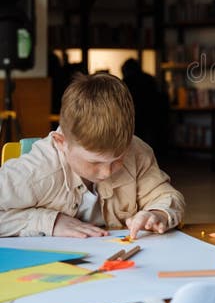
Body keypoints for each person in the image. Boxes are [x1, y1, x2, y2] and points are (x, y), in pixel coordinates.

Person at [0, 72, 184, 239]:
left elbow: (167, 197)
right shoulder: (38, 170)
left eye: (118, 159)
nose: (106, 172)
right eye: (94, 161)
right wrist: (49, 222)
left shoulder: (137, 152)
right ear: (60, 142)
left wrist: (157, 213)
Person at [121, 57, 170, 163]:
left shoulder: (126, 82)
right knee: (150, 141)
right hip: (153, 114)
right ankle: (151, 162)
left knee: (136, 142)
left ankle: (138, 163)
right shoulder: (149, 78)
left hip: (135, 116)